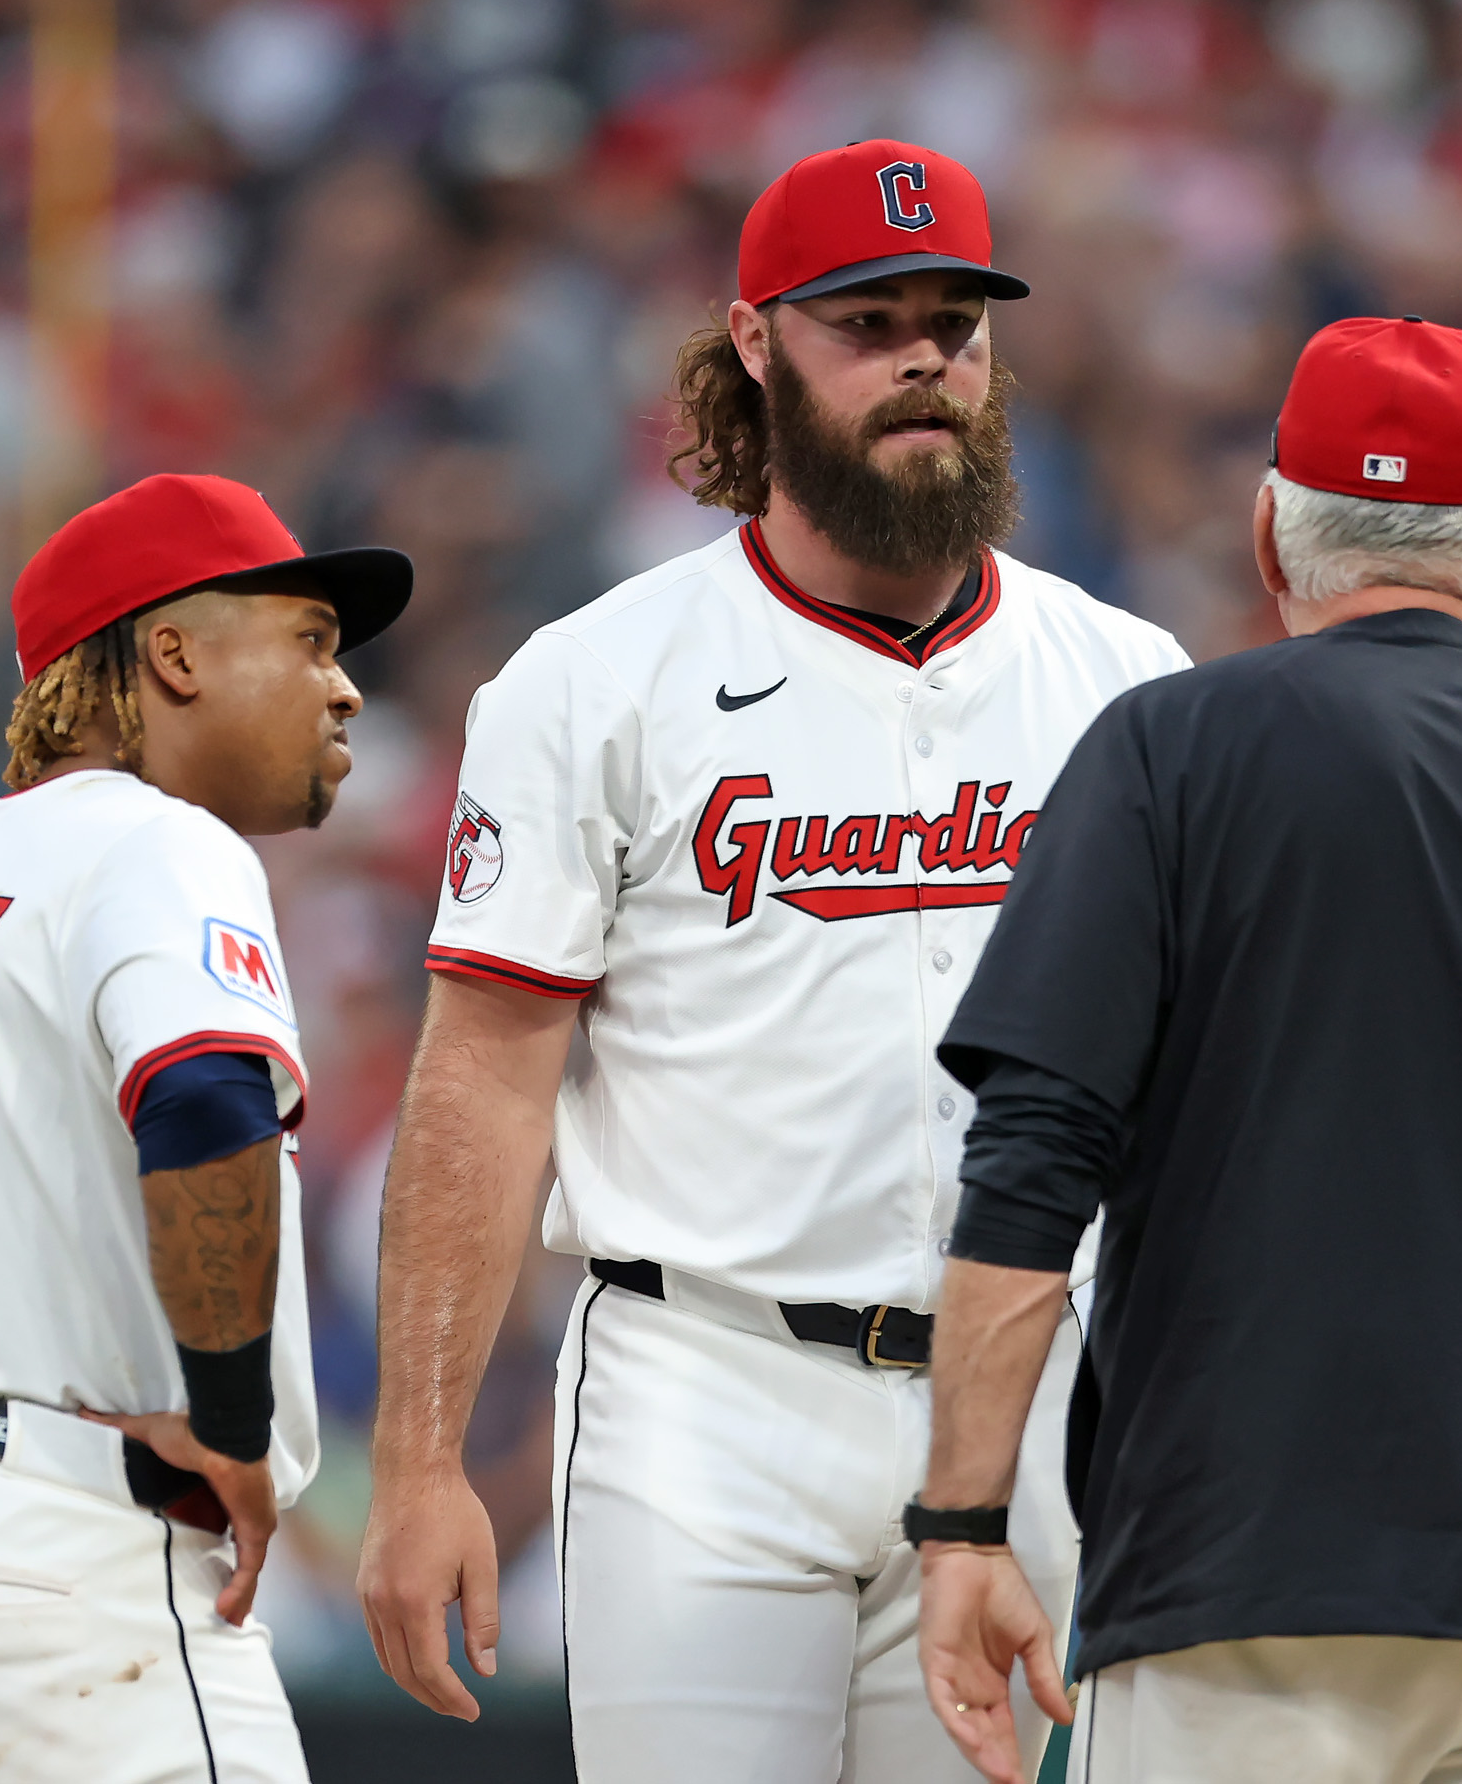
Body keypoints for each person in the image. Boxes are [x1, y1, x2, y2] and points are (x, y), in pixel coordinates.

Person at [356, 138, 1191, 1783]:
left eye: (954, 322)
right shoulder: (599, 677)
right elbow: (485, 1072)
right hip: (707, 1388)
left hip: (1022, 1391)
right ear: (755, 343)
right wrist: (417, 1456)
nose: (922, 361)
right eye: (867, 322)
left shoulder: (1126, 680)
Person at [911, 317, 1462, 1784]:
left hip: (1245, 1570)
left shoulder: (1163, 748)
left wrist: (966, 1524)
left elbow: (1031, 1165)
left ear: (1267, 530)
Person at [0, 473, 411, 1784]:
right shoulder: (157, 843)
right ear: (172, 652)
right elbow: (203, 1099)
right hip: (66, 1550)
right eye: (306, 639)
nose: (341, 688)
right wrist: (231, 1421)